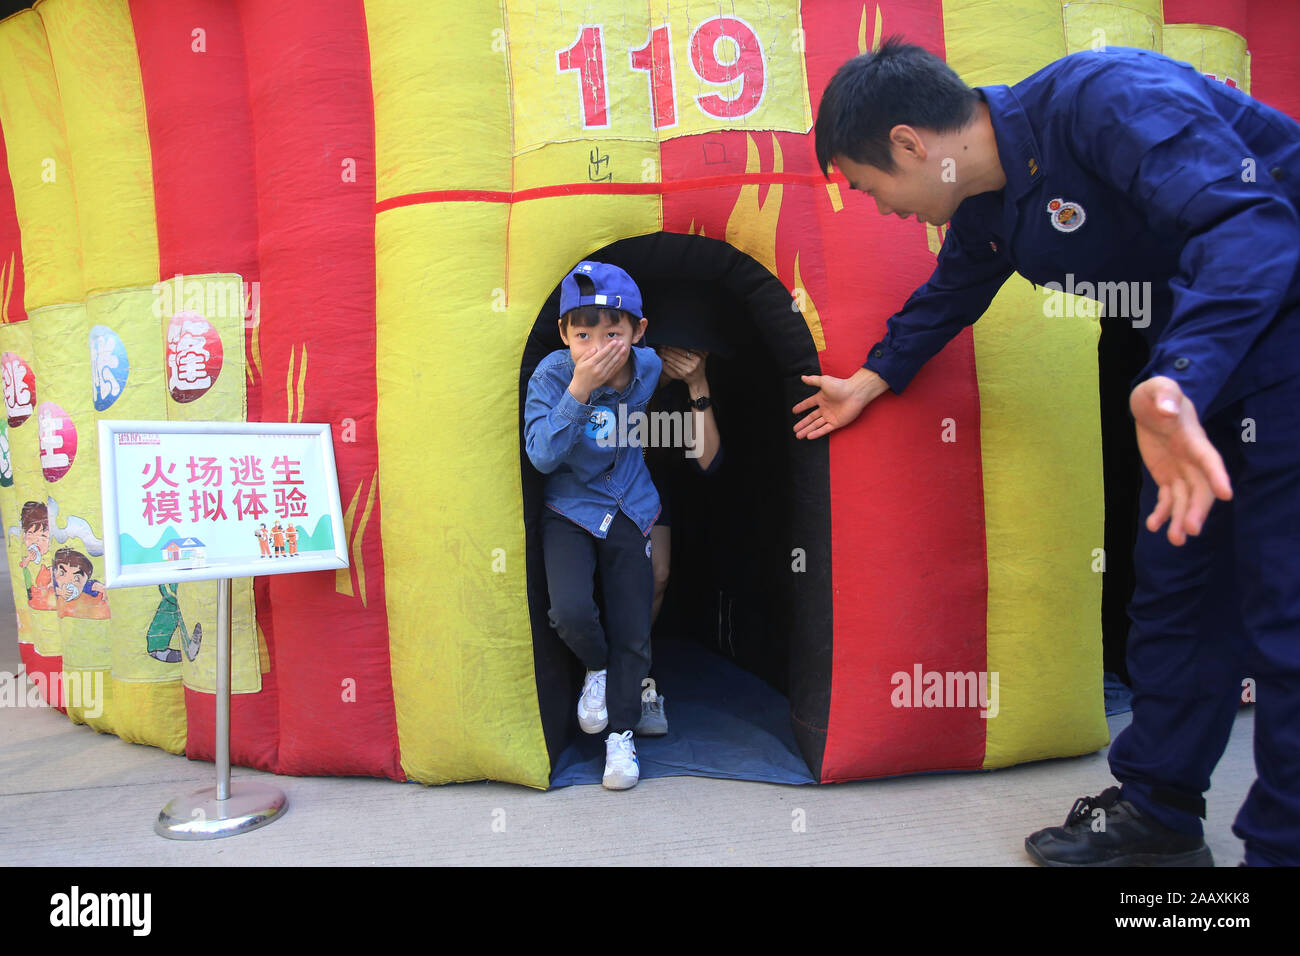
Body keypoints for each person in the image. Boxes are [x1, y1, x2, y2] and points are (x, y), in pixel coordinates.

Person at [803, 38, 1300, 866]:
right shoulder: (987, 210)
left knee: (1287, 610)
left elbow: (1249, 224)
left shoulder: (1107, 99)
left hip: (1275, 340)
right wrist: (873, 379)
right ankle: (1159, 816)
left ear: (907, 143)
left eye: (870, 188)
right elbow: (950, 294)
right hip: (1188, 381)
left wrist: (1180, 376)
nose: (880, 209)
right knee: (1176, 592)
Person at [524, 261, 663, 790]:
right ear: (564, 335)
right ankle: (597, 668)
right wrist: (580, 388)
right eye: (583, 334)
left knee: (634, 624)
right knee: (571, 610)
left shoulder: (648, 368)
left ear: (637, 332)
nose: (597, 346)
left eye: (612, 333)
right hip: (571, 507)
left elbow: (671, 371)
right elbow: (541, 455)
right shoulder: (553, 374)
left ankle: (620, 739)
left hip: (630, 502)